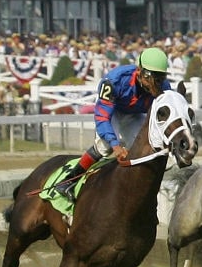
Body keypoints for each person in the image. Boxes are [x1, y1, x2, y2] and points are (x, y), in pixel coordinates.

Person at [51, 47, 169, 204]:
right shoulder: (114, 81)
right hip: (113, 113)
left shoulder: (165, 87)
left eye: (159, 78)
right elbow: (102, 117)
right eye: (150, 77)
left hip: (135, 115)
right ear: (139, 70)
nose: (154, 84)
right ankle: (69, 181)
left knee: (145, 146)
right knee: (105, 146)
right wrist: (115, 145)